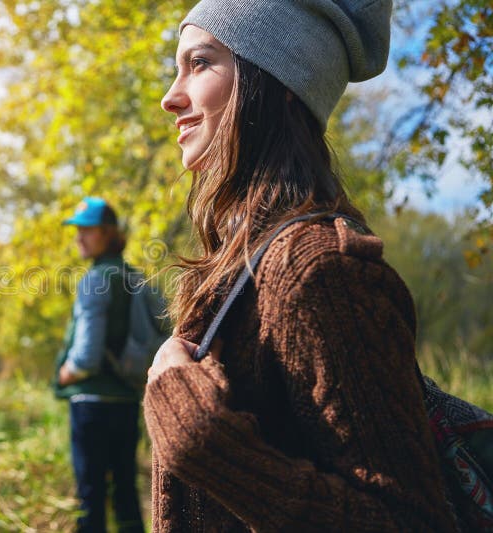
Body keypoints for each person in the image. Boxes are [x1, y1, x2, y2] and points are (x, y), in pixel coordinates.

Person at [142, 1, 460, 531]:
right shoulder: (239, 261)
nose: (170, 97)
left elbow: (409, 520)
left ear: (277, 80)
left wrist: (203, 444)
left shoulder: (321, 271)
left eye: (199, 63)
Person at [54, 197, 145, 533]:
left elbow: (87, 356)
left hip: (91, 403)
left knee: (89, 496)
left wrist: (67, 373)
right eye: (77, 230)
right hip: (126, 400)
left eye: (87, 230)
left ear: (108, 233)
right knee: (125, 492)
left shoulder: (95, 279)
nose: (79, 237)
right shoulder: (135, 277)